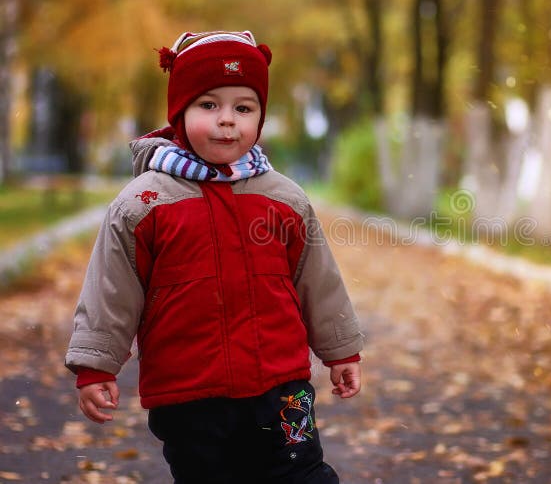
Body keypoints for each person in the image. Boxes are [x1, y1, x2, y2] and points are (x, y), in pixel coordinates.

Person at [64, 30, 364, 483]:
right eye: (209, 105)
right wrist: (96, 363)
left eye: (243, 108)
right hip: (190, 394)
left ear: (260, 117)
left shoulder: (284, 198)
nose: (228, 121)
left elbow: (317, 280)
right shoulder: (144, 202)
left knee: (303, 476)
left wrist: (341, 350)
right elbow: (112, 289)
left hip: (281, 386)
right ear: (179, 112)